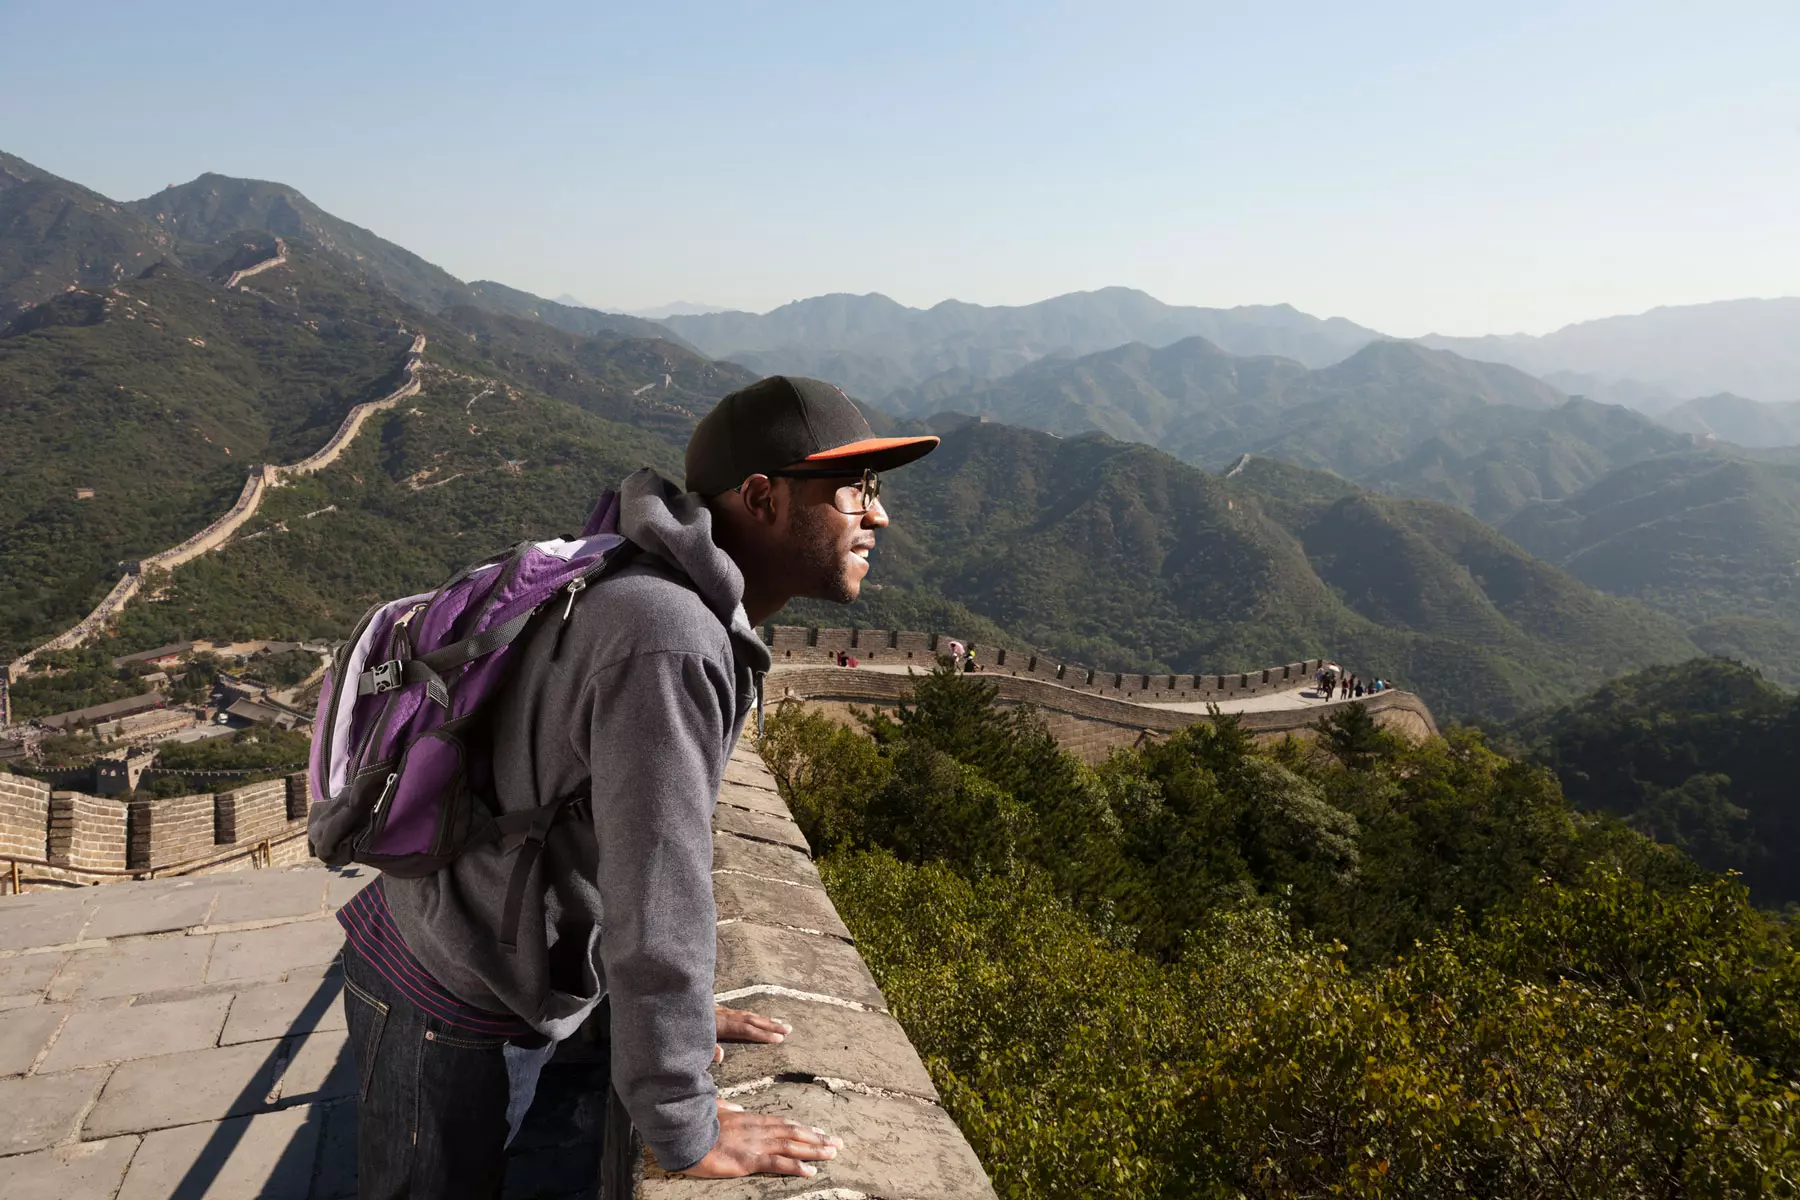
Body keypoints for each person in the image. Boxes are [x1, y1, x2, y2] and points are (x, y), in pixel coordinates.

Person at [335, 375, 939, 1196]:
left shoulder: (664, 594)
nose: (878, 514)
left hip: (460, 944)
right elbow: (659, 883)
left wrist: (674, 1023)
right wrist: (683, 1119)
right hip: (445, 991)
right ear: (762, 497)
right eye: (853, 490)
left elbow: (593, 818)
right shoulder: (669, 636)